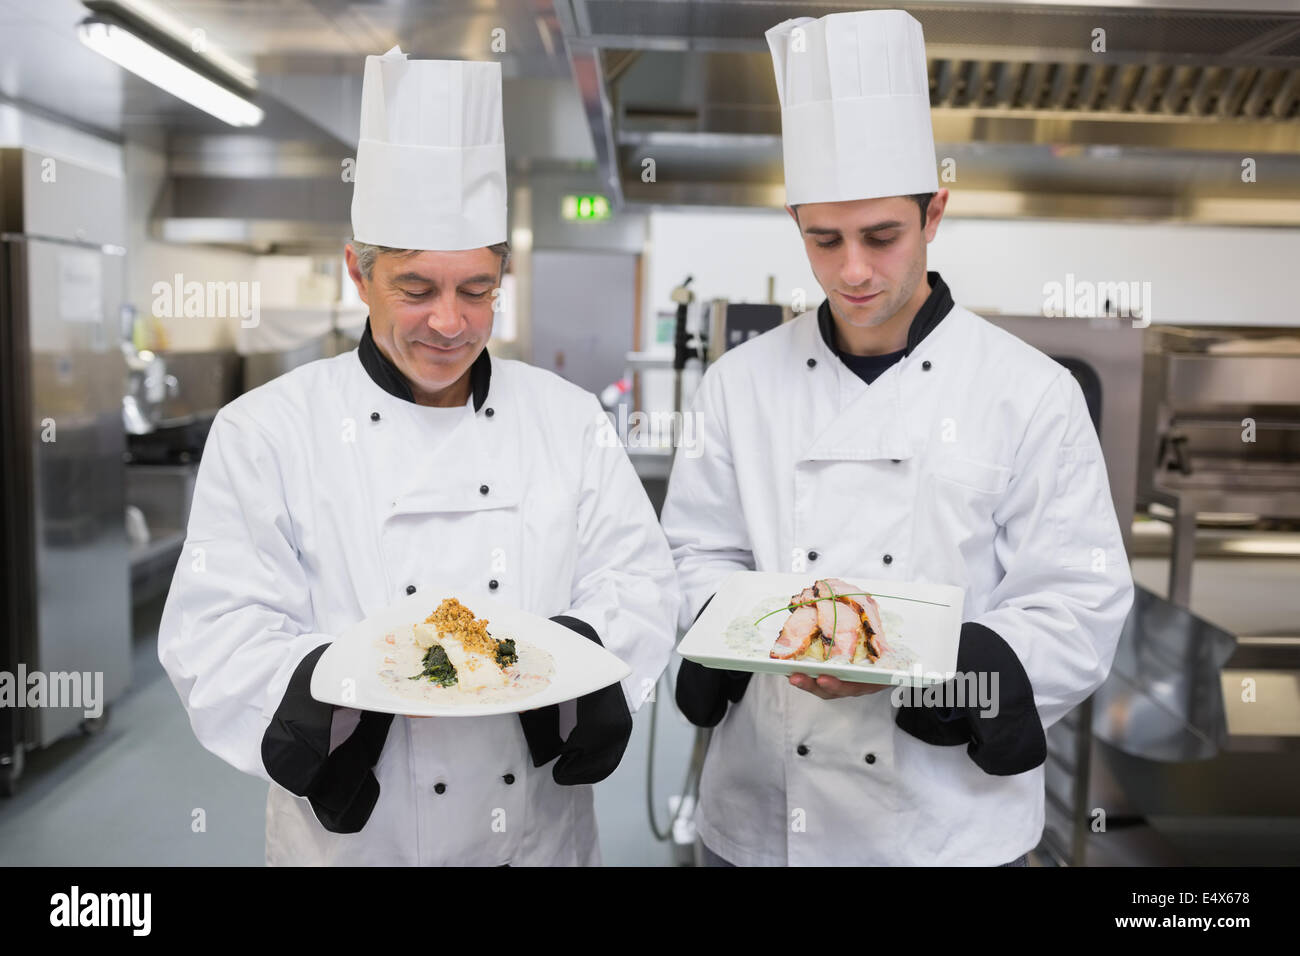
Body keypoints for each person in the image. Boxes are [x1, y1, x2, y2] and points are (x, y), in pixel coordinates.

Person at [158, 47, 679, 865]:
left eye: (476, 290)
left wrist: (586, 660)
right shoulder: (266, 431)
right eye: (416, 289)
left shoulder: (569, 422)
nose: (449, 323)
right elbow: (218, 626)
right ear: (357, 276)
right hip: (360, 841)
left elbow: (637, 578)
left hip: (533, 833)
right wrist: (320, 703)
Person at [661, 9, 1134, 866]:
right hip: (765, 818)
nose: (852, 271)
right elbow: (697, 553)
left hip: (947, 827)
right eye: (823, 238)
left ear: (934, 212)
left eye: (882, 236)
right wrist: (725, 633)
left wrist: (956, 664)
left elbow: (1080, 598)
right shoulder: (740, 384)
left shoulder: (1028, 392)